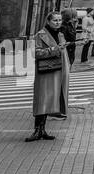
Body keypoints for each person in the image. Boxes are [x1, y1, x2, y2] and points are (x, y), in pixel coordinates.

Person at [27, 12, 67, 142]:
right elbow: (36, 53)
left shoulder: (60, 34)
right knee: (41, 100)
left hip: (57, 70)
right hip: (45, 71)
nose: (58, 22)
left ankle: (43, 129)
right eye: (55, 20)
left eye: (60, 20)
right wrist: (54, 49)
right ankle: (37, 130)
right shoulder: (40, 35)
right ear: (48, 21)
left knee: (50, 101)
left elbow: (63, 51)